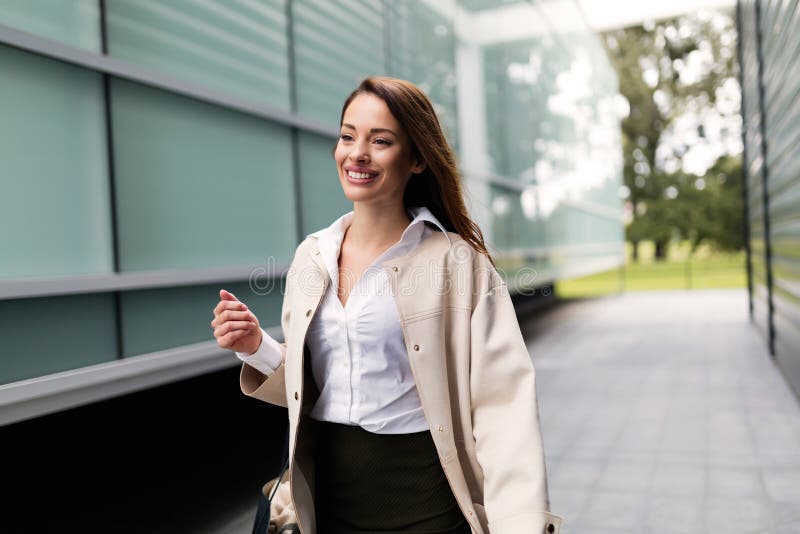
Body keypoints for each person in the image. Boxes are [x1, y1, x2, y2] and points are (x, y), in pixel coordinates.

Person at [211, 76, 562, 534]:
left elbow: (504, 408)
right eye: (347, 135)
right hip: (327, 506)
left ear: (416, 158)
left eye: (380, 141)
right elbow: (319, 387)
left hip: (426, 507)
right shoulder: (312, 256)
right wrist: (255, 346)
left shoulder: (458, 263)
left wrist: (520, 525)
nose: (357, 153)